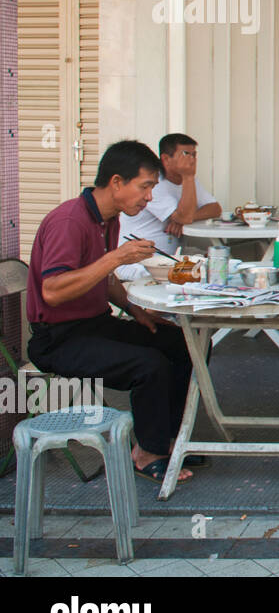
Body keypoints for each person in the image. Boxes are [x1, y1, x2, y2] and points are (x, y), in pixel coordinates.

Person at [26, 140, 198, 485]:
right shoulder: (69, 221)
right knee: (149, 366)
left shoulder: (109, 219)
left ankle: (164, 440)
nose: (149, 197)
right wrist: (115, 258)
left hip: (95, 323)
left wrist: (137, 312)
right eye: (145, 186)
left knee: (182, 344)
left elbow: (104, 279)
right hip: (58, 339)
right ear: (117, 182)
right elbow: (53, 290)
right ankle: (146, 453)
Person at [115, 133, 222, 278]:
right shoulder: (153, 183)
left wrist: (187, 218)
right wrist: (183, 216)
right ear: (165, 159)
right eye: (185, 154)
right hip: (139, 263)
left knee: (214, 265)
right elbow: (184, 216)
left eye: (194, 154)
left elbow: (214, 208)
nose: (191, 160)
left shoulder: (188, 181)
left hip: (168, 260)